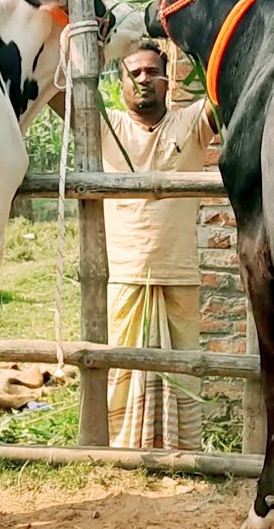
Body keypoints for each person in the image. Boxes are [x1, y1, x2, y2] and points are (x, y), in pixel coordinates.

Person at [100, 41, 218, 450]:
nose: (144, 79)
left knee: (183, 369)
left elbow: (222, 91)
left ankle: (181, 451)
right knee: (123, 372)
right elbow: (60, 95)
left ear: (169, 80)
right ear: (120, 84)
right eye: (134, 73)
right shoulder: (104, 124)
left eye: (152, 71)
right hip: (125, 274)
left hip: (179, 272)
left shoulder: (191, 124)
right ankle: (124, 451)